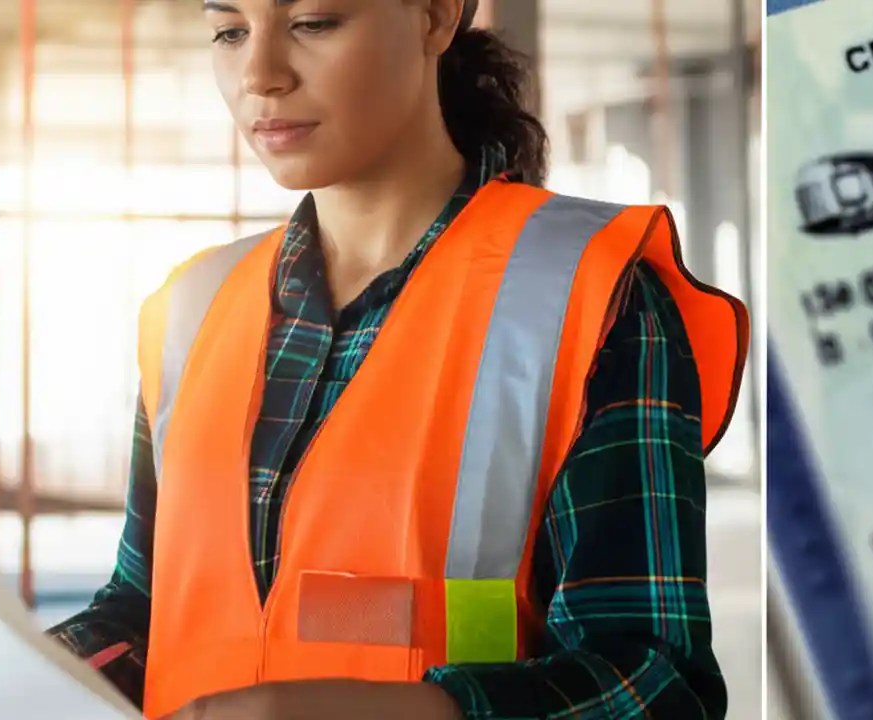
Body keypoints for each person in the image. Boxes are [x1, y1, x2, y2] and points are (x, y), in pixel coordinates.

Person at [46, 0, 749, 717]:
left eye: (313, 23)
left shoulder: (587, 295)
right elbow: (143, 609)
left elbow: (656, 684)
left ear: (436, 17)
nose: (259, 75)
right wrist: (17, 668)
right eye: (230, 31)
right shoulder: (192, 308)